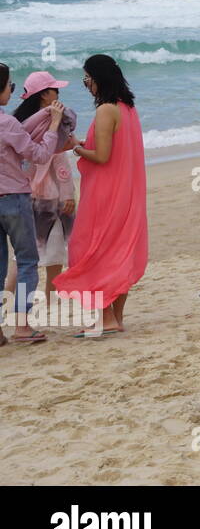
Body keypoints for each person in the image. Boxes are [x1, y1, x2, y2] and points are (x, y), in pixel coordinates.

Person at [53, 55, 149, 337]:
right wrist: (85, 144)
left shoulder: (106, 110)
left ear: (99, 78)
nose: (86, 85)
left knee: (90, 250)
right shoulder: (127, 108)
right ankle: (115, 317)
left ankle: (105, 318)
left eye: (88, 79)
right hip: (127, 191)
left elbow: (103, 156)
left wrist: (74, 147)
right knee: (119, 252)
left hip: (106, 193)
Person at [0, 61, 65, 345]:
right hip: (13, 198)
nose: (12, 91)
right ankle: (23, 326)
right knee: (27, 261)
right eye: (10, 86)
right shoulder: (7, 123)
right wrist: (51, 125)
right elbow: (38, 155)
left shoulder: (11, 123)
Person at [9, 72, 78, 307]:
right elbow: (59, 162)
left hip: (25, 195)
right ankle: (51, 304)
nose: (58, 94)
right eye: (54, 90)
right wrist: (68, 193)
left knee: (23, 258)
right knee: (53, 258)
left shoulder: (20, 122)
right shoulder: (51, 121)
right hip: (52, 199)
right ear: (44, 95)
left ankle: (8, 307)